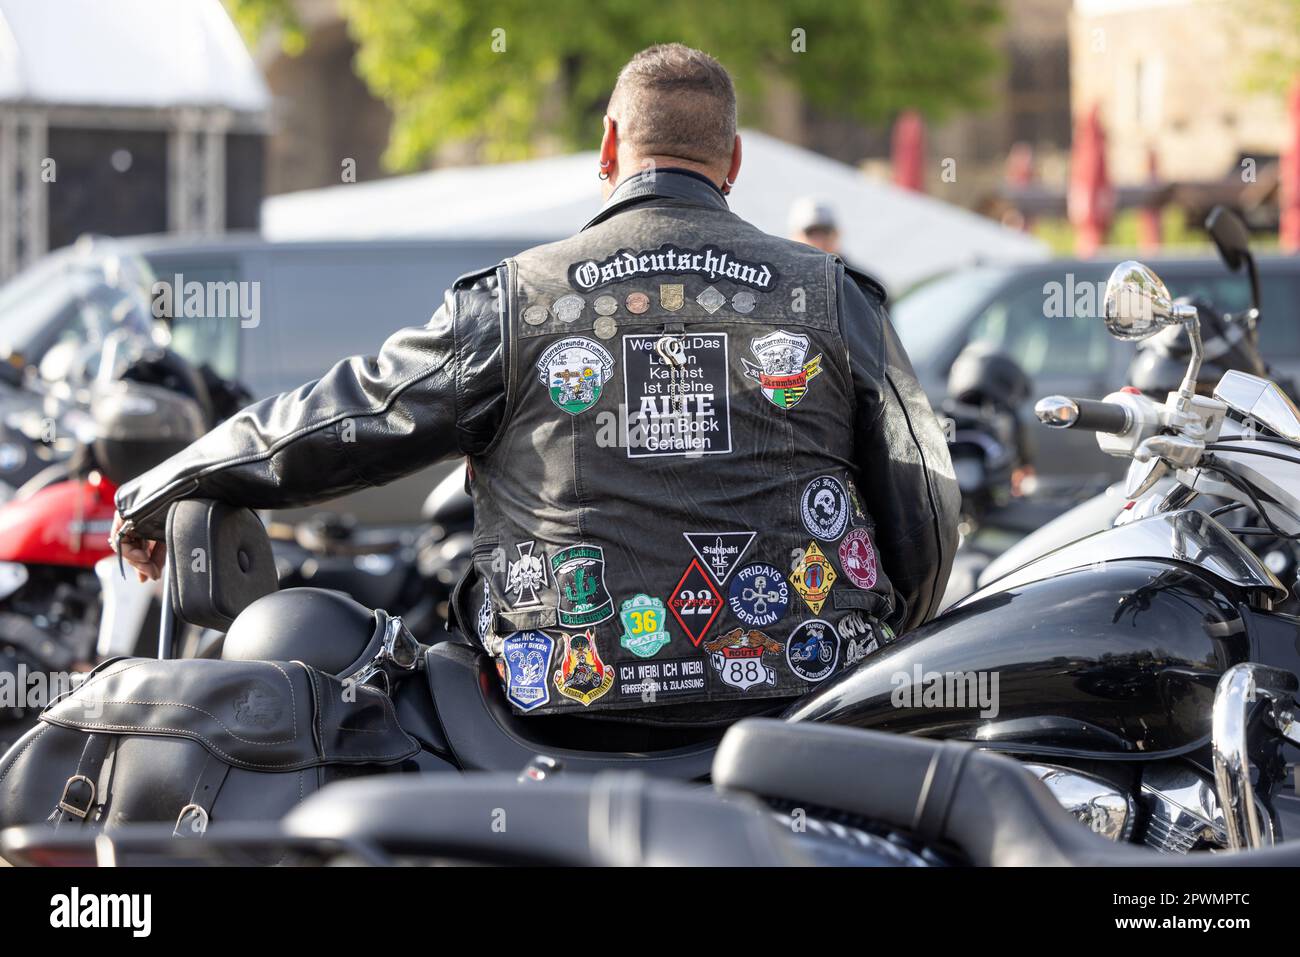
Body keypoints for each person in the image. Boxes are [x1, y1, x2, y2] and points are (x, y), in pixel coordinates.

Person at [112, 43, 959, 729]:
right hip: (799, 697)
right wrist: (882, 639)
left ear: (606, 148)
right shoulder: (828, 293)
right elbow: (924, 506)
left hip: (563, 710)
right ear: (732, 160)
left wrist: (165, 485)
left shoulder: (518, 301)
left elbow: (350, 418)